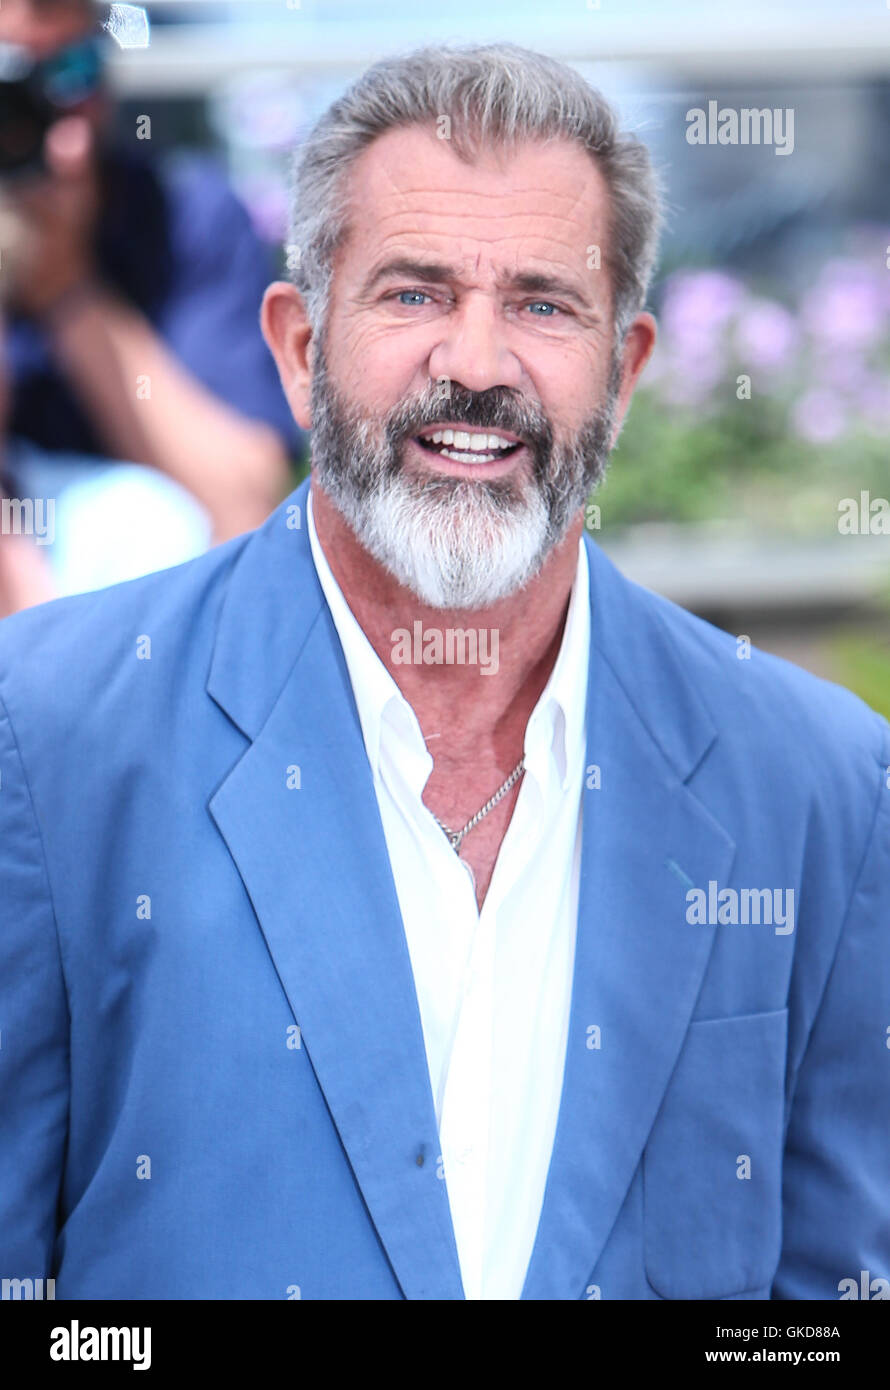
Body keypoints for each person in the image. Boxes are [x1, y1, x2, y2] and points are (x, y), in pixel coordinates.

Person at [0, 44, 887, 1301]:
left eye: (541, 302)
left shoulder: (819, 784)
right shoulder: (43, 734)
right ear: (297, 345)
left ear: (626, 370)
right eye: (413, 294)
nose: (474, 363)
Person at [0, 0, 300, 543]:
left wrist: (67, 291)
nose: (65, 139)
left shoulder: (186, 216)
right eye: (16, 92)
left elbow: (246, 508)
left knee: (149, 524)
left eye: (75, 70)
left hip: (140, 599)